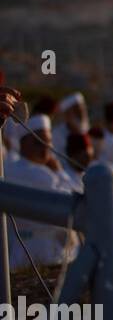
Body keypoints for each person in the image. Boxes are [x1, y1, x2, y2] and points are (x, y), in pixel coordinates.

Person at [4, 114, 80, 266]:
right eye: (39, 142)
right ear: (24, 143)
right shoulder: (40, 173)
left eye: (48, 141)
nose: (46, 147)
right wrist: (59, 172)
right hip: (43, 253)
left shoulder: (8, 167)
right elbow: (73, 200)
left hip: (18, 253)